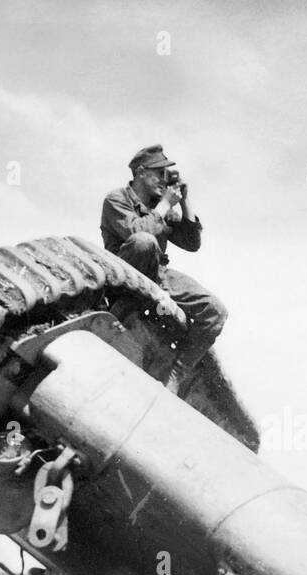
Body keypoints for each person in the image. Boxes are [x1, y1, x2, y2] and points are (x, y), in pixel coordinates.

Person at [101, 145, 227, 394]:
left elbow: (192, 243)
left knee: (215, 311)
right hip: (126, 271)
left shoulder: (162, 206)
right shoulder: (116, 199)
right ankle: (123, 313)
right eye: (158, 173)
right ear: (140, 172)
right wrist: (164, 206)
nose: (163, 180)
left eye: (166, 174)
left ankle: (177, 371)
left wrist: (185, 200)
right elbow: (136, 233)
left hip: (157, 273)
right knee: (144, 242)